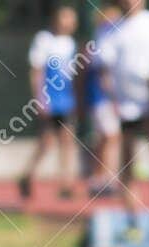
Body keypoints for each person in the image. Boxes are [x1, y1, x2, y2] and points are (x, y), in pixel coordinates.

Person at [99, 0, 149, 238]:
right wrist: (114, 101)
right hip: (126, 109)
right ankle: (133, 221)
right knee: (127, 164)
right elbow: (105, 72)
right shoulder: (110, 29)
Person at [19, 5, 81, 202]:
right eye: (64, 17)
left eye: (71, 18)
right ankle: (27, 175)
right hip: (50, 99)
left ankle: (66, 184)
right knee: (46, 142)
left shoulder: (71, 43)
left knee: (68, 141)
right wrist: (39, 98)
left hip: (66, 100)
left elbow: (73, 76)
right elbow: (36, 71)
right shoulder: (44, 39)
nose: (68, 22)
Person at [85, 0, 127, 197]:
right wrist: (114, 98)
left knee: (106, 138)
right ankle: (105, 178)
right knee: (110, 137)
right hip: (102, 98)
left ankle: (100, 178)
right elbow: (104, 72)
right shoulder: (104, 36)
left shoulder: (109, 35)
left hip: (104, 97)